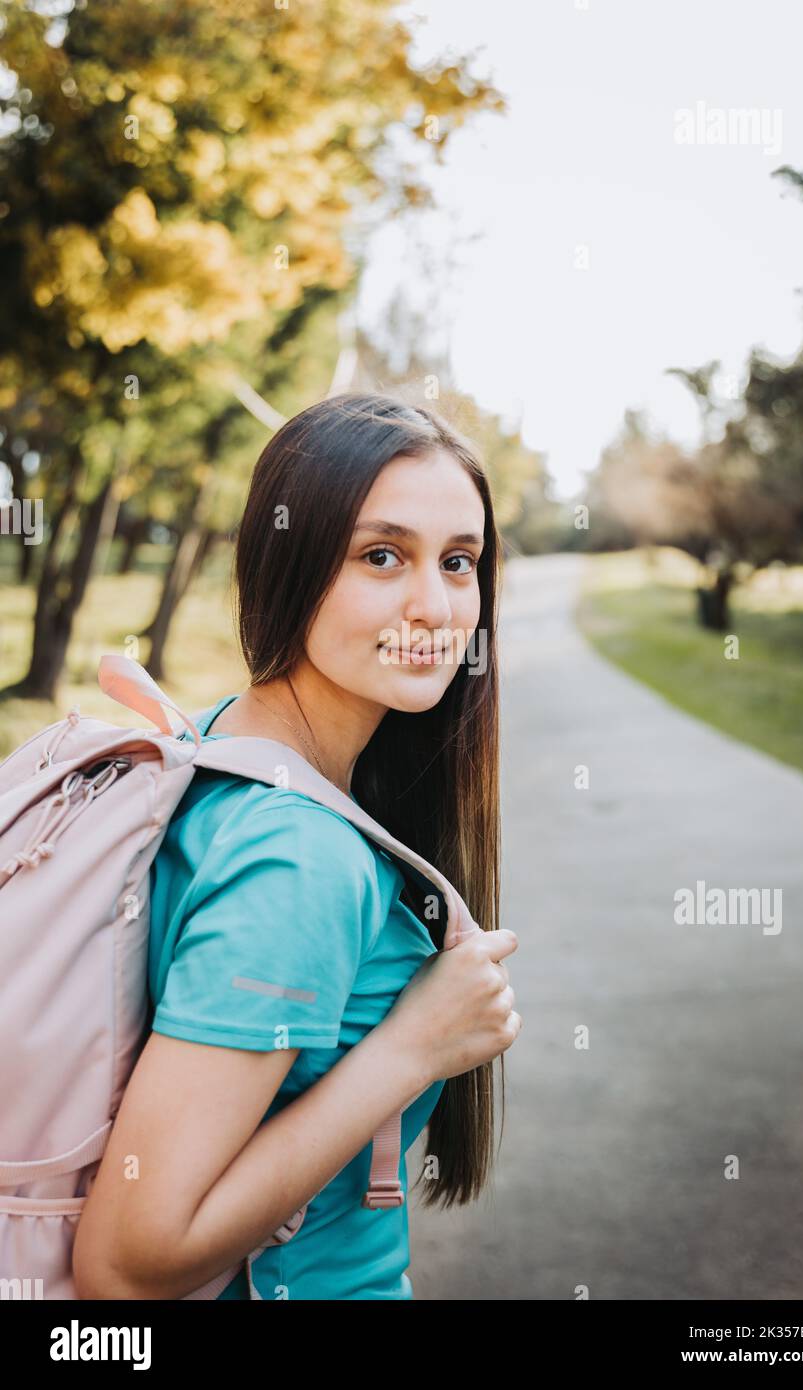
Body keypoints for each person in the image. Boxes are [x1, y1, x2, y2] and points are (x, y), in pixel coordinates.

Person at [72, 391, 521, 1300]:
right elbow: (128, 1263)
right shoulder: (301, 859)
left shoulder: (205, 741)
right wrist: (415, 1046)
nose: (436, 605)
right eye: (382, 556)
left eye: (460, 561)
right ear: (288, 560)